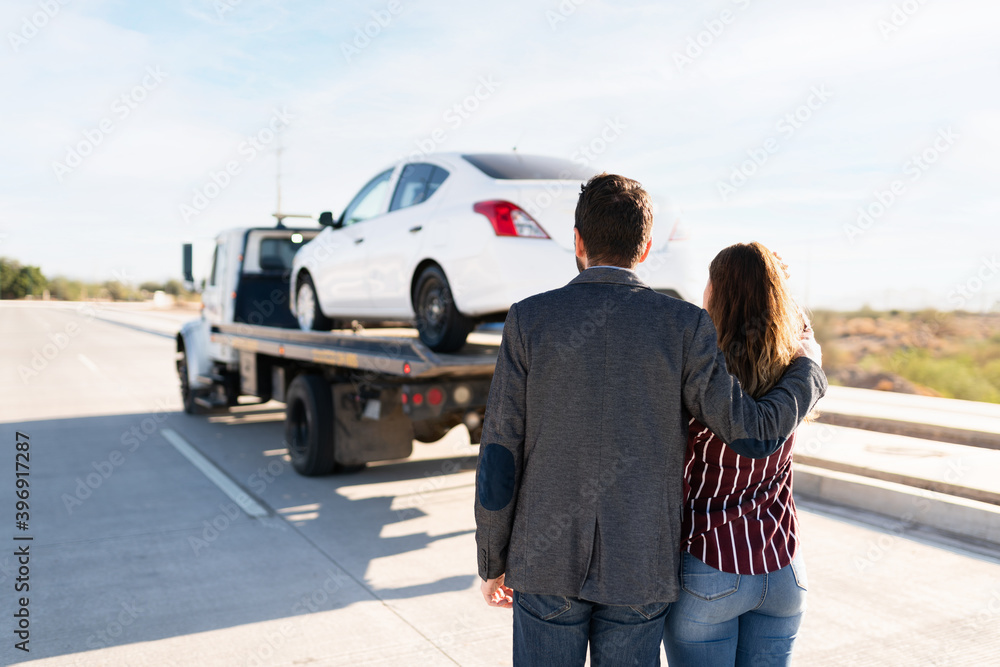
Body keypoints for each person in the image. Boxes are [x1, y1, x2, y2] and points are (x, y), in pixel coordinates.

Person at [473, 172, 827, 666]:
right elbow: (751, 432)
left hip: (544, 563)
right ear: (646, 248)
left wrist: (493, 557)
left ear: (577, 241)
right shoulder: (685, 325)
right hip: (640, 568)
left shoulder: (528, 320)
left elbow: (498, 453)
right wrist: (808, 367)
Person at [663, 242, 814, 666]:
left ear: (716, 293)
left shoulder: (701, 378)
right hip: (783, 569)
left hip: (711, 568)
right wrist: (778, 287)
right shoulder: (793, 374)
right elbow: (803, 334)